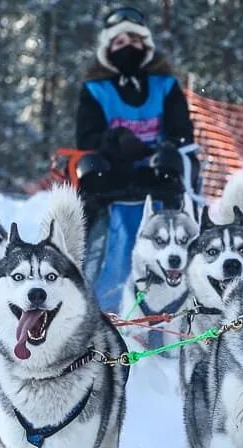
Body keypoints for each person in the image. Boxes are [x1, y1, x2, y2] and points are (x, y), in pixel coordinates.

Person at [74, 6, 201, 306]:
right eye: (119, 42)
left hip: (158, 177)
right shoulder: (95, 89)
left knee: (176, 163)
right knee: (88, 168)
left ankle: (182, 289)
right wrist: (113, 141)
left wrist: (167, 146)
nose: (127, 46)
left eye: (133, 40)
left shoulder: (165, 85)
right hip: (112, 178)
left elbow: (182, 131)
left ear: (145, 45)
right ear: (108, 49)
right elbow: (86, 137)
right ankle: (92, 290)